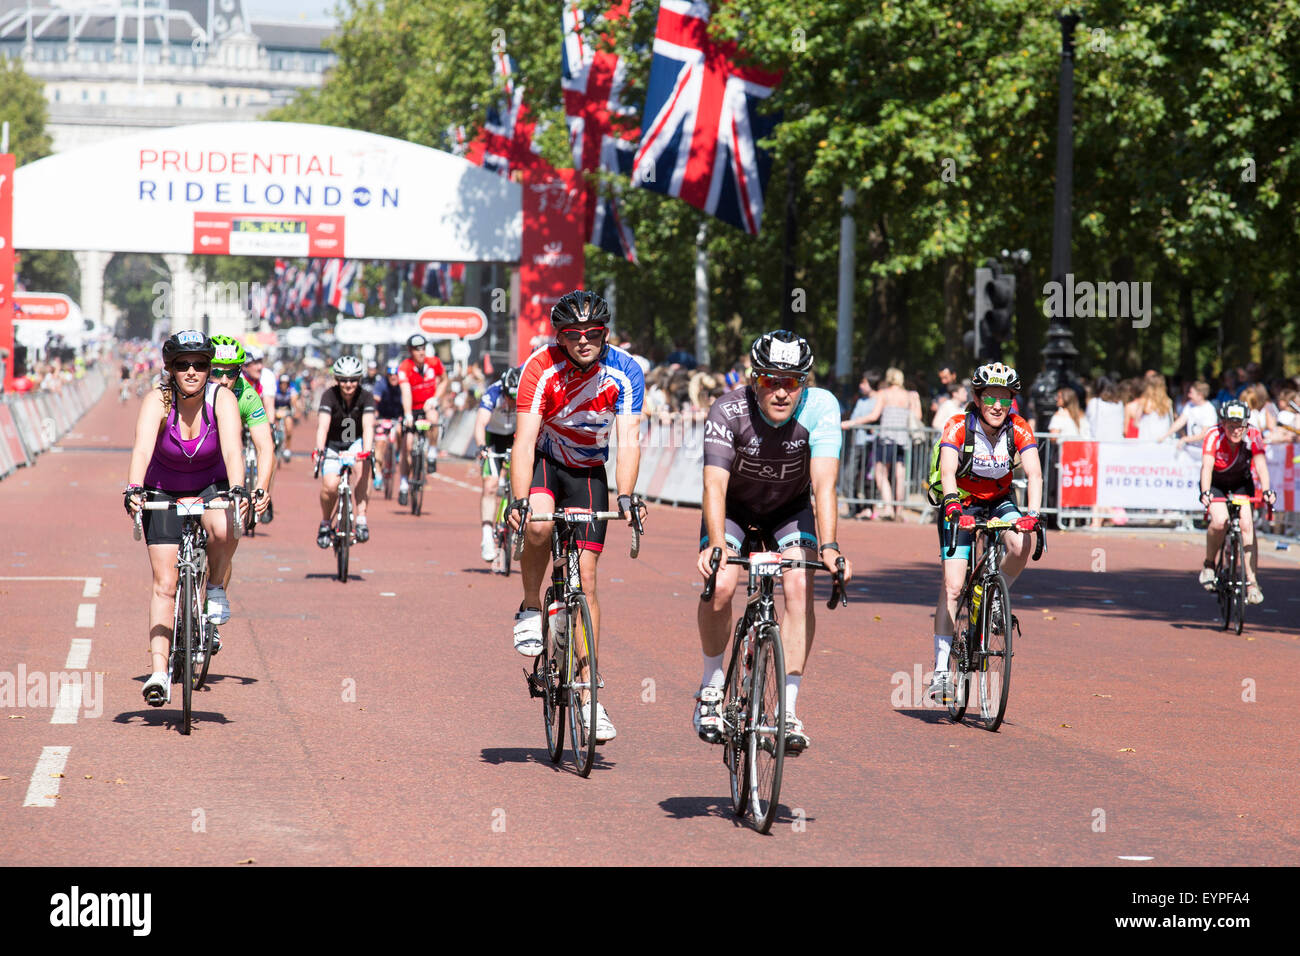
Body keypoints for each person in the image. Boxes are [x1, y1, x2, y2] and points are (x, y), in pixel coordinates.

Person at [695, 331, 852, 752]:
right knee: (723, 585)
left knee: (800, 585)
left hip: (788, 511)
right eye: (770, 381)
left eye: (793, 381)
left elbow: (824, 484)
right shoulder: (728, 410)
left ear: (805, 382)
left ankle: (787, 708)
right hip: (733, 510)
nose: (781, 392)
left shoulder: (821, 407)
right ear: (753, 379)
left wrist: (832, 546)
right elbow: (713, 485)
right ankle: (711, 688)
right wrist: (716, 545)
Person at [505, 290, 645, 744]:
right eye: (572, 334)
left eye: (593, 333)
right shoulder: (540, 367)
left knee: (585, 577)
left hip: (588, 470)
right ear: (559, 337)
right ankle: (530, 606)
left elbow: (629, 440)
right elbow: (524, 441)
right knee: (540, 525)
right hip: (546, 459)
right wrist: (518, 500)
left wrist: (626, 496)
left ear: (604, 333)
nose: (583, 341)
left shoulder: (625, 371)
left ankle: (588, 695)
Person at [123, 330, 246, 705]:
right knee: (164, 583)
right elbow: (143, 447)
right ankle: (160, 672)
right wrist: (133, 487)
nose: (192, 371)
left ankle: (214, 588)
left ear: (209, 368)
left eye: (200, 364)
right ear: (170, 369)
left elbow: (233, 448)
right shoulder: (157, 400)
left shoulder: (220, 398)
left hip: (211, 484)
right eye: (182, 365)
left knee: (226, 527)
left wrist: (239, 489)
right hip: (163, 487)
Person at [929, 362, 1043, 705]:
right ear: (977, 398)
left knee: (1023, 543)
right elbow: (948, 470)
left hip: (998, 499)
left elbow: (1035, 475)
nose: (997, 405)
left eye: (1005, 398)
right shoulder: (958, 426)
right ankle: (940, 672)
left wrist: (1033, 515)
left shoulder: (1018, 428)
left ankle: (995, 597)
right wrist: (951, 505)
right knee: (952, 586)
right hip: (959, 501)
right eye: (991, 397)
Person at [208, 336, 274, 607]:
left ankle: (216, 589)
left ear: (240, 372)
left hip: (229, 466)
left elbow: (265, 447)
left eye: (231, 372)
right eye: (216, 372)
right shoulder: (195, 389)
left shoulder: (247, 394)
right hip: (197, 464)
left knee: (231, 530)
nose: (223, 379)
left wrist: (261, 488)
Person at [1198, 400, 1274, 604]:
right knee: (1220, 520)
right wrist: (1205, 492)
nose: (1236, 430)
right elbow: (1206, 467)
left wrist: (1266, 490)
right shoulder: (1214, 435)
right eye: (1231, 425)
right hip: (1217, 483)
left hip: (1241, 484)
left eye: (1240, 425)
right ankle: (1209, 564)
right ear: (1222, 423)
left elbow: (1261, 465)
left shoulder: (1253, 436)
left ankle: (1252, 582)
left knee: (1247, 525)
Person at [313, 356, 377, 546]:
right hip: (333, 444)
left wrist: (367, 451)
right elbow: (322, 426)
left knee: (362, 465)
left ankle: (361, 519)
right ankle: (325, 522)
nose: (348, 384)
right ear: (337, 379)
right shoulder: (329, 396)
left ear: (359, 379)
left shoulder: (366, 397)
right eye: (343, 379)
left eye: (353, 379)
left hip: (355, 443)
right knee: (330, 486)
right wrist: (319, 450)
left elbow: (368, 427)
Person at [474, 366, 520, 561]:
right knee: (490, 485)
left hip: (517, 435)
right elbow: (480, 424)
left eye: (515, 398)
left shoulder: (527, 391)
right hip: (494, 437)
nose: (511, 401)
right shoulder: (492, 393)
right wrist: (482, 446)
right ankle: (486, 535)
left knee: (522, 484)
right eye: (509, 396)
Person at [854, 367, 912, 520]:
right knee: (900, 475)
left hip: (887, 438)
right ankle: (899, 510)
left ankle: (888, 507)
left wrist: (852, 422)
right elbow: (916, 415)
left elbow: (874, 415)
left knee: (880, 473)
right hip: (903, 439)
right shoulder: (909, 395)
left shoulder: (884, 394)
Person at [397, 333, 447, 502]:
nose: (421, 352)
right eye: (417, 349)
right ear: (410, 351)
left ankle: (432, 452)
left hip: (428, 406)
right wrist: (408, 414)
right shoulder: (405, 367)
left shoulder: (434, 363)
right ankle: (404, 484)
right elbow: (405, 392)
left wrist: (436, 398)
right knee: (408, 446)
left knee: (434, 417)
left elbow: (444, 380)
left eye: (423, 348)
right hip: (411, 408)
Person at [371, 361, 405, 491]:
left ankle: (397, 452)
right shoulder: (381, 384)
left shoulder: (402, 385)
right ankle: (378, 475)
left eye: (395, 374)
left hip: (397, 417)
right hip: (382, 418)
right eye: (390, 374)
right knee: (380, 444)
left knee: (400, 431)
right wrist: (374, 416)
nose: (393, 377)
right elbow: (375, 400)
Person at [1160, 381, 1217, 449]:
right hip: (1192, 448)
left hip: (1205, 449)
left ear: (1200, 395)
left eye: (1191, 393)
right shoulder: (1190, 405)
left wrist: (1185, 439)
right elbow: (1180, 421)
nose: (1189, 395)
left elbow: (1204, 434)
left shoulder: (1209, 410)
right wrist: (1165, 435)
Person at [240, 348, 277, 426]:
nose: (260, 367)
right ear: (244, 366)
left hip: (259, 416)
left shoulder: (267, 375)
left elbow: (269, 404)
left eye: (260, 362)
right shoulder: (238, 377)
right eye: (255, 363)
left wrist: (270, 425)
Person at [273, 372, 300, 461]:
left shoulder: (291, 390)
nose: (284, 386)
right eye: (282, 383)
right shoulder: (275, 389)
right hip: (276, 410)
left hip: (287, 411)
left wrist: (296, 411)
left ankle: (287, 449)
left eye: (286, 384)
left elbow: (294, 401)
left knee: (289, 429)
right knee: (272, 426)